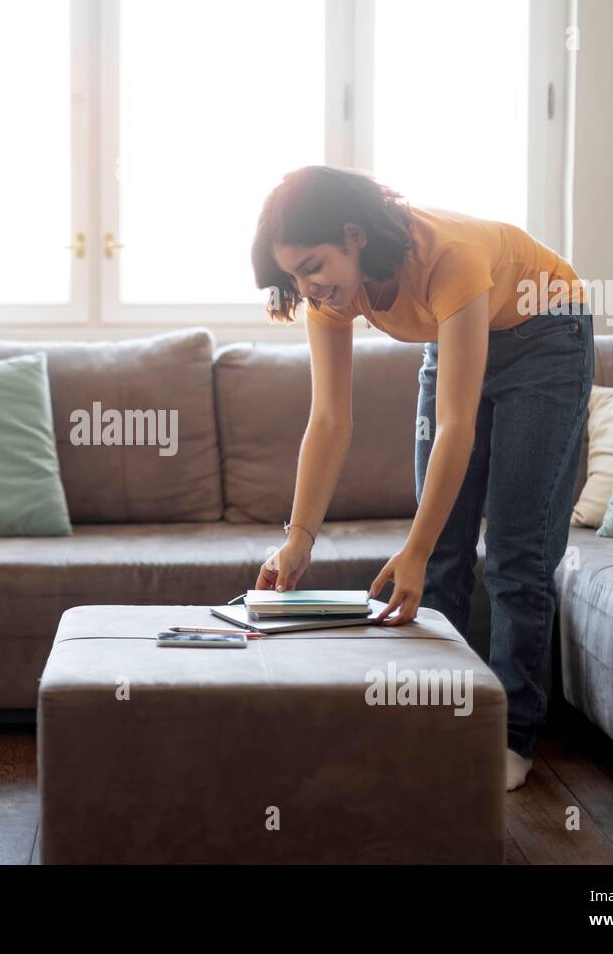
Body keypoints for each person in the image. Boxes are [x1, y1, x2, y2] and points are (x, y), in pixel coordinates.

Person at [249, 165, 593, 791]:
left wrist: (414, 543)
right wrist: (299, 536)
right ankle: (441, 721)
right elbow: (328, 419)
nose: (306, 287)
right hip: (455, 335)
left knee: (516, 550)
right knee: (440, 560)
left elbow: (456, 425)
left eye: (311, 266)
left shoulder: (449, 257)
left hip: (546, 335)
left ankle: (511, 736)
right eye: (293, 275)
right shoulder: (332, 294)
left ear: (353, 234)